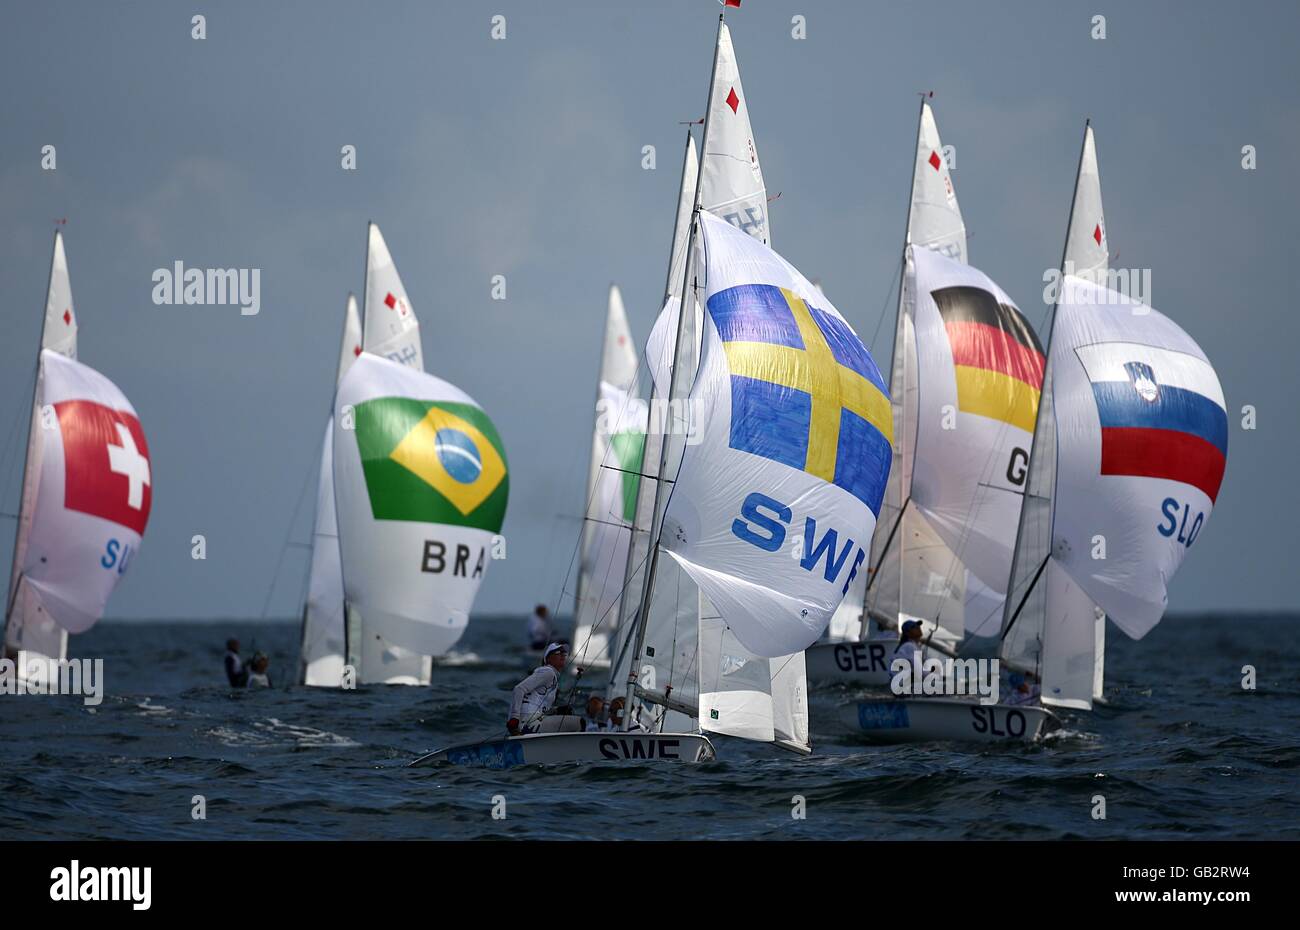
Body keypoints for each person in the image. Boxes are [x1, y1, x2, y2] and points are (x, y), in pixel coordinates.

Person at [507, 642, 567, 735]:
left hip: (530, 722)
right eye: (558, 652)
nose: (563, 655)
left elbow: (538, 706)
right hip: (529, 724)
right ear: (548, 659)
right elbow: (519, 689)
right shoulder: (548, 672)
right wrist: (514, 719)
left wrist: (555, 710)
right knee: (580, 723)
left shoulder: (552, 677)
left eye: (564, 653)